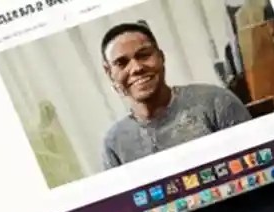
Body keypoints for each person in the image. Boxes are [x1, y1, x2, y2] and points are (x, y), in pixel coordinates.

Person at [100, 22, 252, 169]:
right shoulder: (114, 144)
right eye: (121, 63)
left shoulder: (216, 102)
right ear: (109, 74)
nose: (137, 68)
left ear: (161, 57)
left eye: (144, 55)